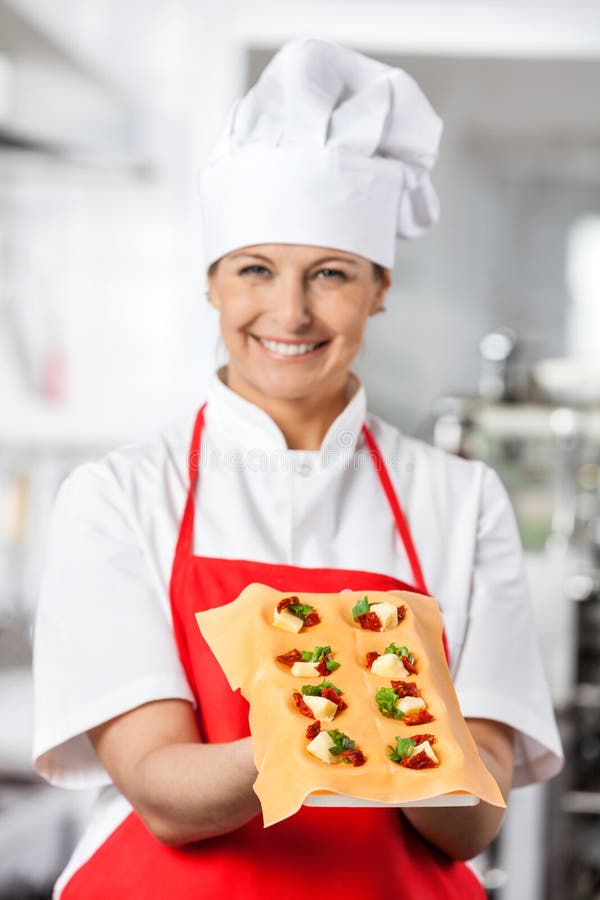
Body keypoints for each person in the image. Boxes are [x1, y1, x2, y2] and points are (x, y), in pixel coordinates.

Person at [32, 37, 563, 899]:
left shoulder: (460, 500)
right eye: (255, 270)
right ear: (211, 283)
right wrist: (347, 714)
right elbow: (164, 793)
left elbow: (476, 814)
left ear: (380, 286)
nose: (290, 312)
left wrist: (375, 717)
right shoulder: (120, 497)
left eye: (330, 274)